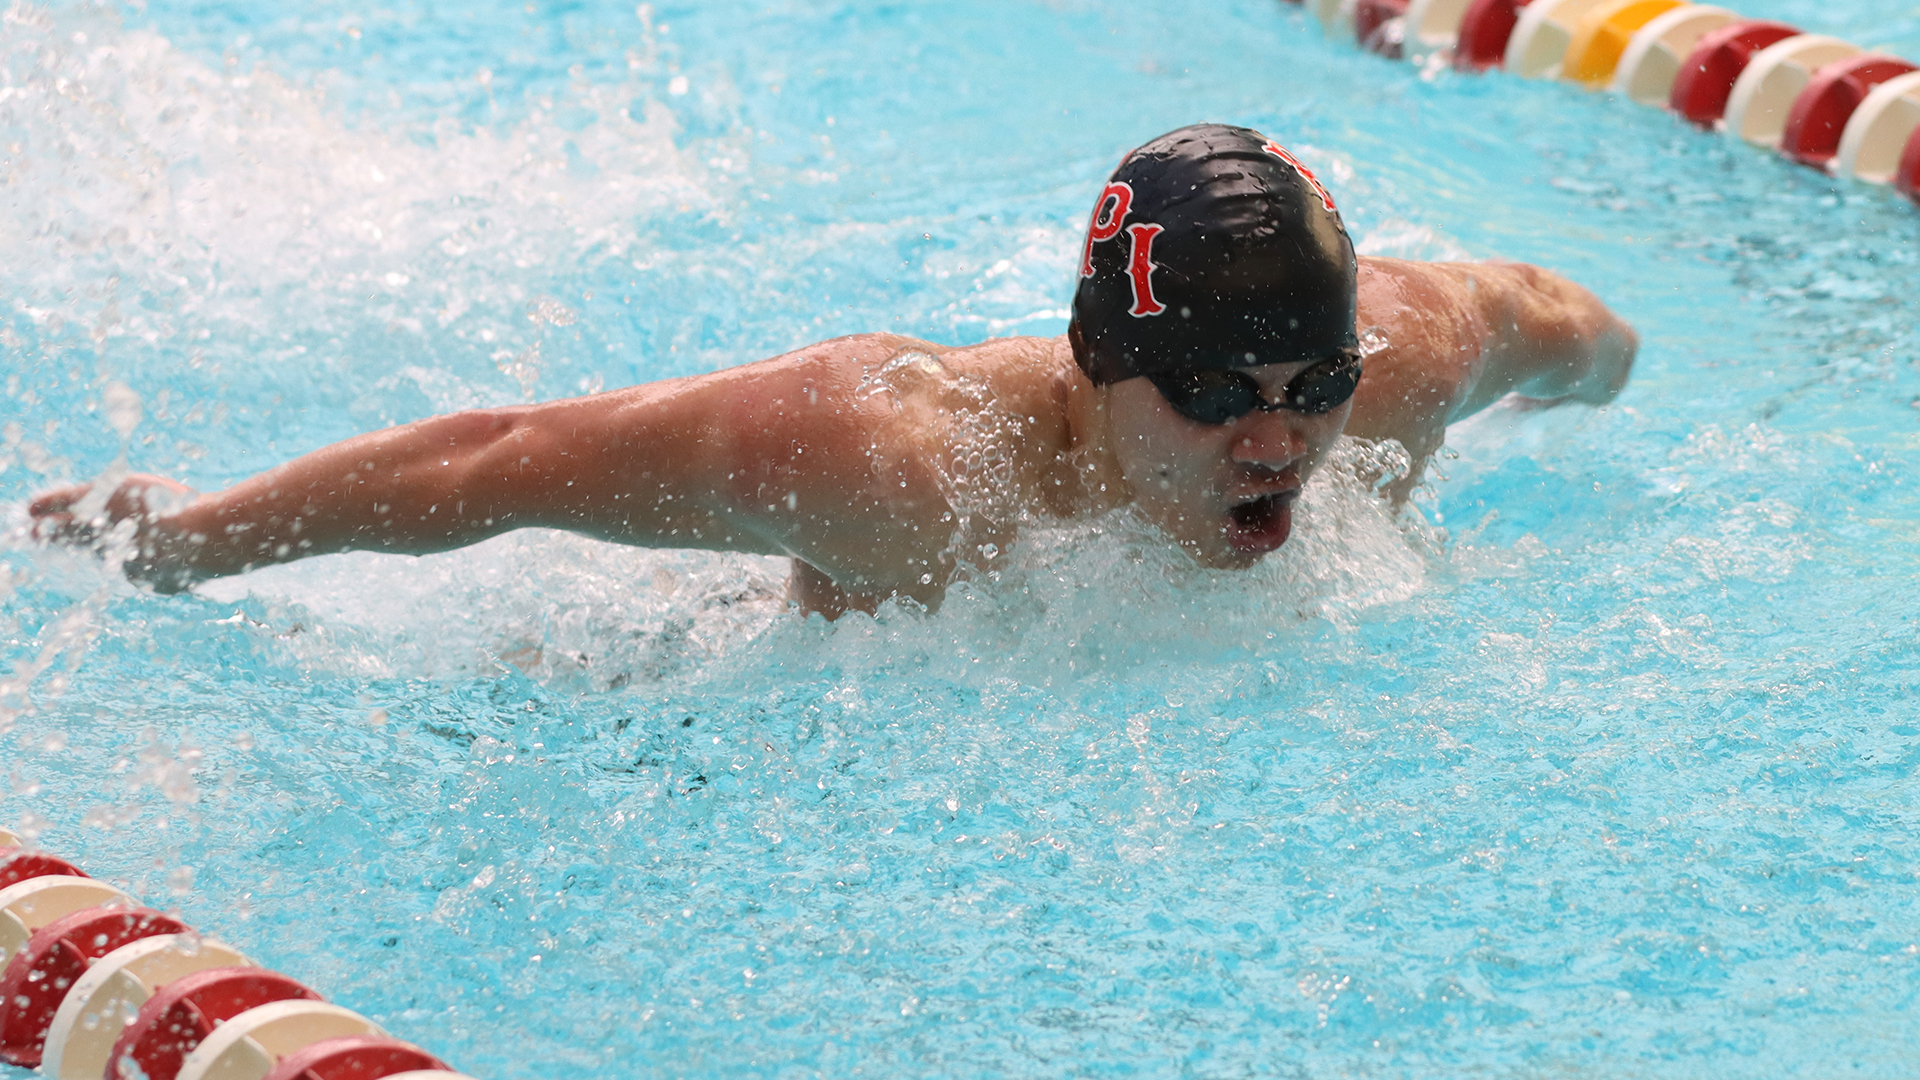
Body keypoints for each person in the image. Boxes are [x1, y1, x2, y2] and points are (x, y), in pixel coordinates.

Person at [30, 123, 1636, 619]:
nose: (1279, 442)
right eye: (1215, 396)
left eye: (1311, 386)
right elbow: (492, 459)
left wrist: (1623, 382)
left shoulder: (1400, 368)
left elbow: (1552, 317)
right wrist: (184, 542)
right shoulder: (894, 463)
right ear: (1097, 361)